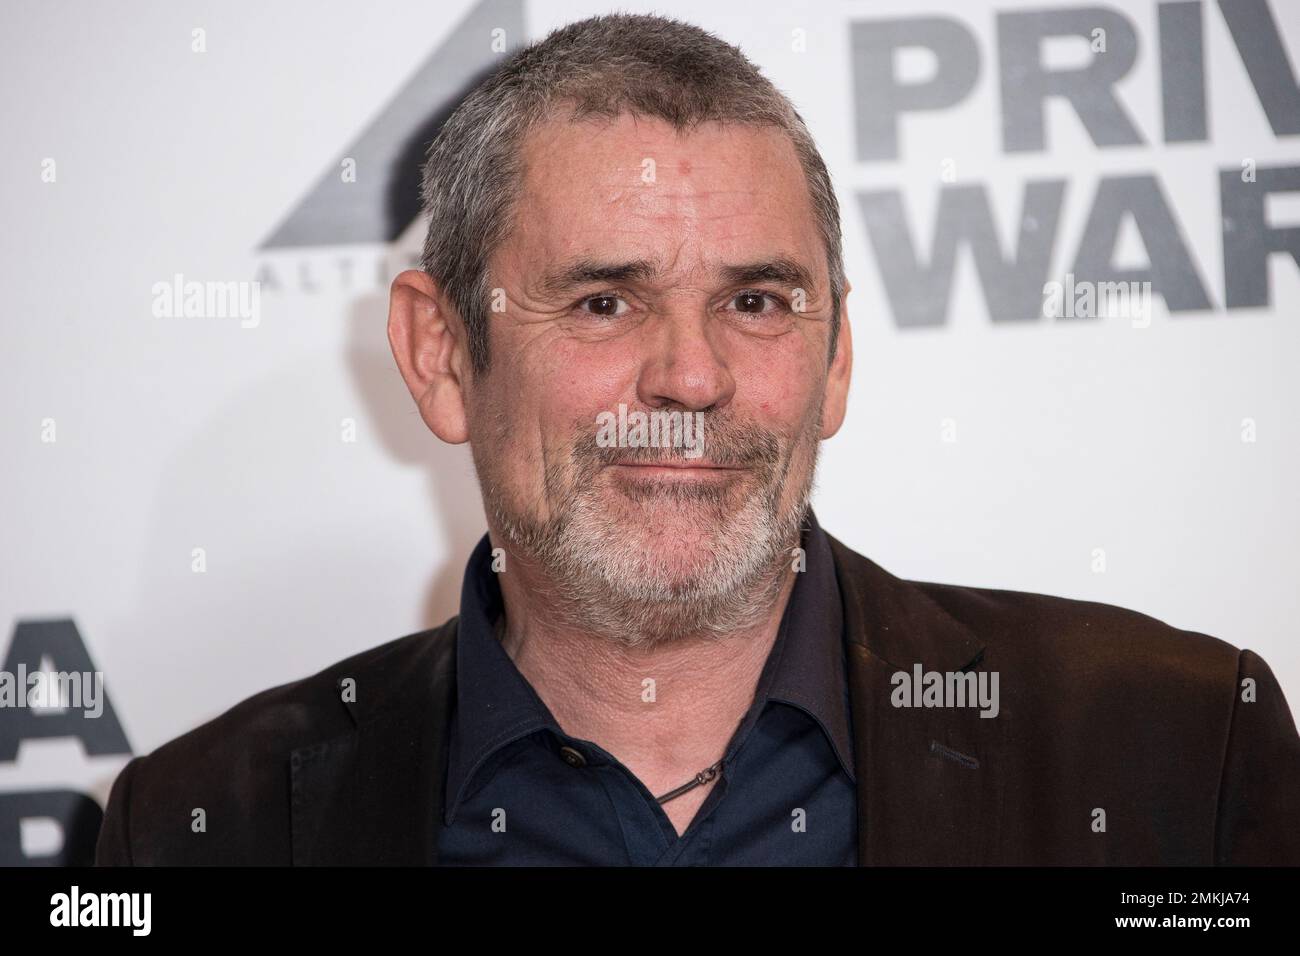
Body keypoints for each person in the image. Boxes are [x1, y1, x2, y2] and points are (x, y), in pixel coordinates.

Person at [96, 12, 1300, 866]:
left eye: (757, 301)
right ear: (444, 355)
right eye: (604, 300)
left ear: (834, 360)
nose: (689, 374)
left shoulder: (1175, 752)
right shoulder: (204, 825)